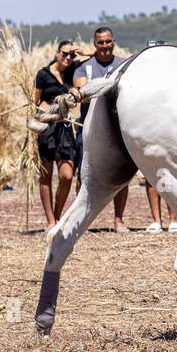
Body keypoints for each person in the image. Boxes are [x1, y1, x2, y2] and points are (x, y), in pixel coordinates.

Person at [71, 27, 136, 231]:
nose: (105, 46)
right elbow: (84, 90)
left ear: (113, 42)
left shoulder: (124, 65)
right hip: (89, 130)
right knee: (83, 176)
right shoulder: (84, 68)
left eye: (108, 42)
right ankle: (79, 220)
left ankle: (118, 219)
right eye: (101, 42)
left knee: (122, 177)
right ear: (95, 44)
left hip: (119, 131)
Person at [33, 41, 80, 228]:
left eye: (72, 55)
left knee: (67, 175)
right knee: (46, 175)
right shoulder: (43, 75)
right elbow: (35, 101)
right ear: (57, 53)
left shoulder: (73, 70)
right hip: (47, 127)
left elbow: (94, 55)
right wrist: (47, 109)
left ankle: (59, 213)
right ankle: (51, 220)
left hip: (66, 128)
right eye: (64, 54)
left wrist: (80, 52)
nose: (68, 58)